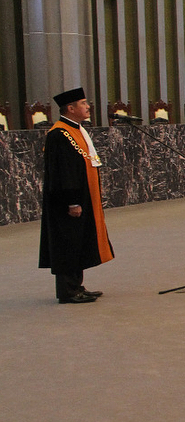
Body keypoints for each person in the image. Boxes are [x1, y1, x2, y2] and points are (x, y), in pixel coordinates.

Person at [39, 87, 114, 304]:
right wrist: (72, 201)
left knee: (78, 241)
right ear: (70, 108)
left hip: (80, 198)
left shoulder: (76, 129)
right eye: (83, 103)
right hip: (66, 201)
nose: (88, 106)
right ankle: (68, 291)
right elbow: (63, 171)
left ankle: (77, 286)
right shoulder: (59, 134)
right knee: (68, 243)